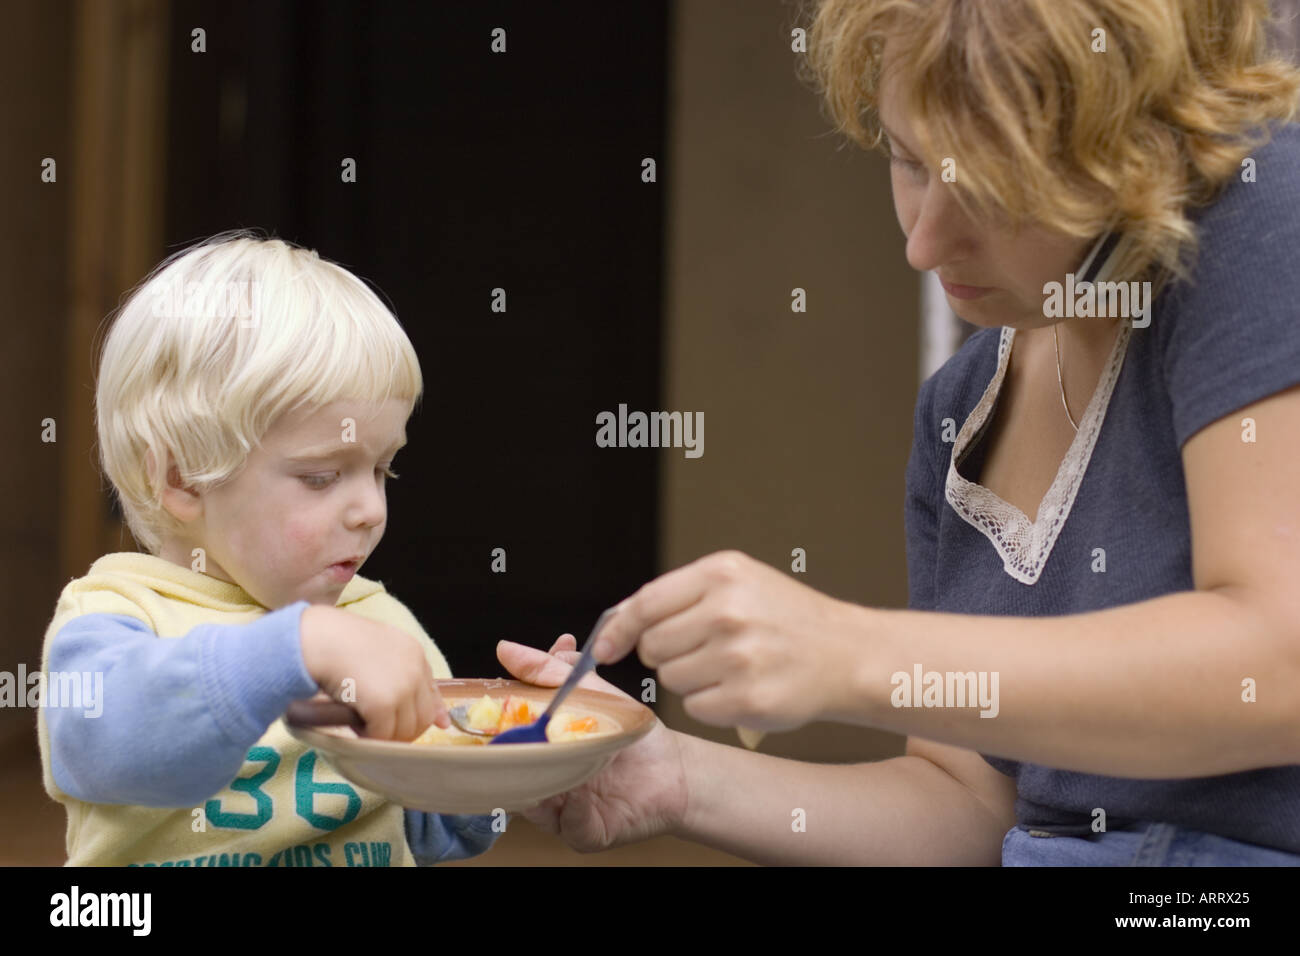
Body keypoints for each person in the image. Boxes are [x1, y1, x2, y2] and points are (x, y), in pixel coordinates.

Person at [492, 0, 1300, 865]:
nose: (923, 241)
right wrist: (670, 775)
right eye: (908, 161)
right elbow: (968, 810)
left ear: (1133, 147)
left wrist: (846, 651)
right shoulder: (962, 404)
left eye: (993, 191)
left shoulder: (1261, 219)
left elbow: (1276, 662)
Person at [37, 231, 499, 867]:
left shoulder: (380, 625)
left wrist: (509, 762)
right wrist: (297, 646)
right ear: (182, 479)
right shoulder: (118, 615)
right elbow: (106, 749)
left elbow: (427, 831)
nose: (370, 509)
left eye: (382, 469)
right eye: (321, 476)